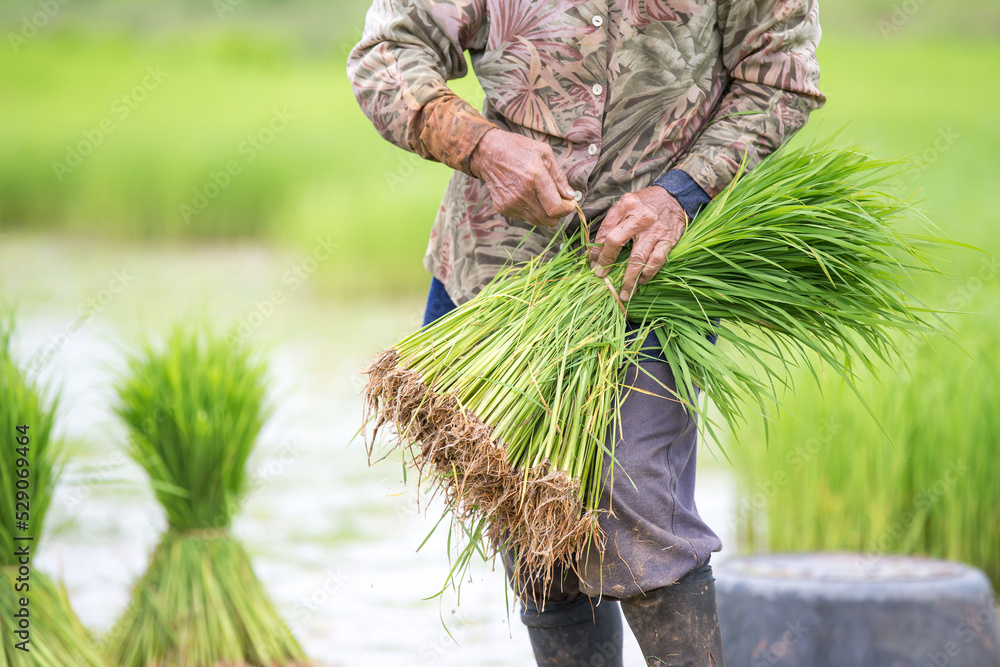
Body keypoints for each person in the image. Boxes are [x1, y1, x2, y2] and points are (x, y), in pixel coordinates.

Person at [348, 1, 824, 664]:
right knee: (535, 522)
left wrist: (681, 193)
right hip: (497, 276)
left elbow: (781, 79)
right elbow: (386, 56)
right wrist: (484, 147)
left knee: (640, 499)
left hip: (653, 271)